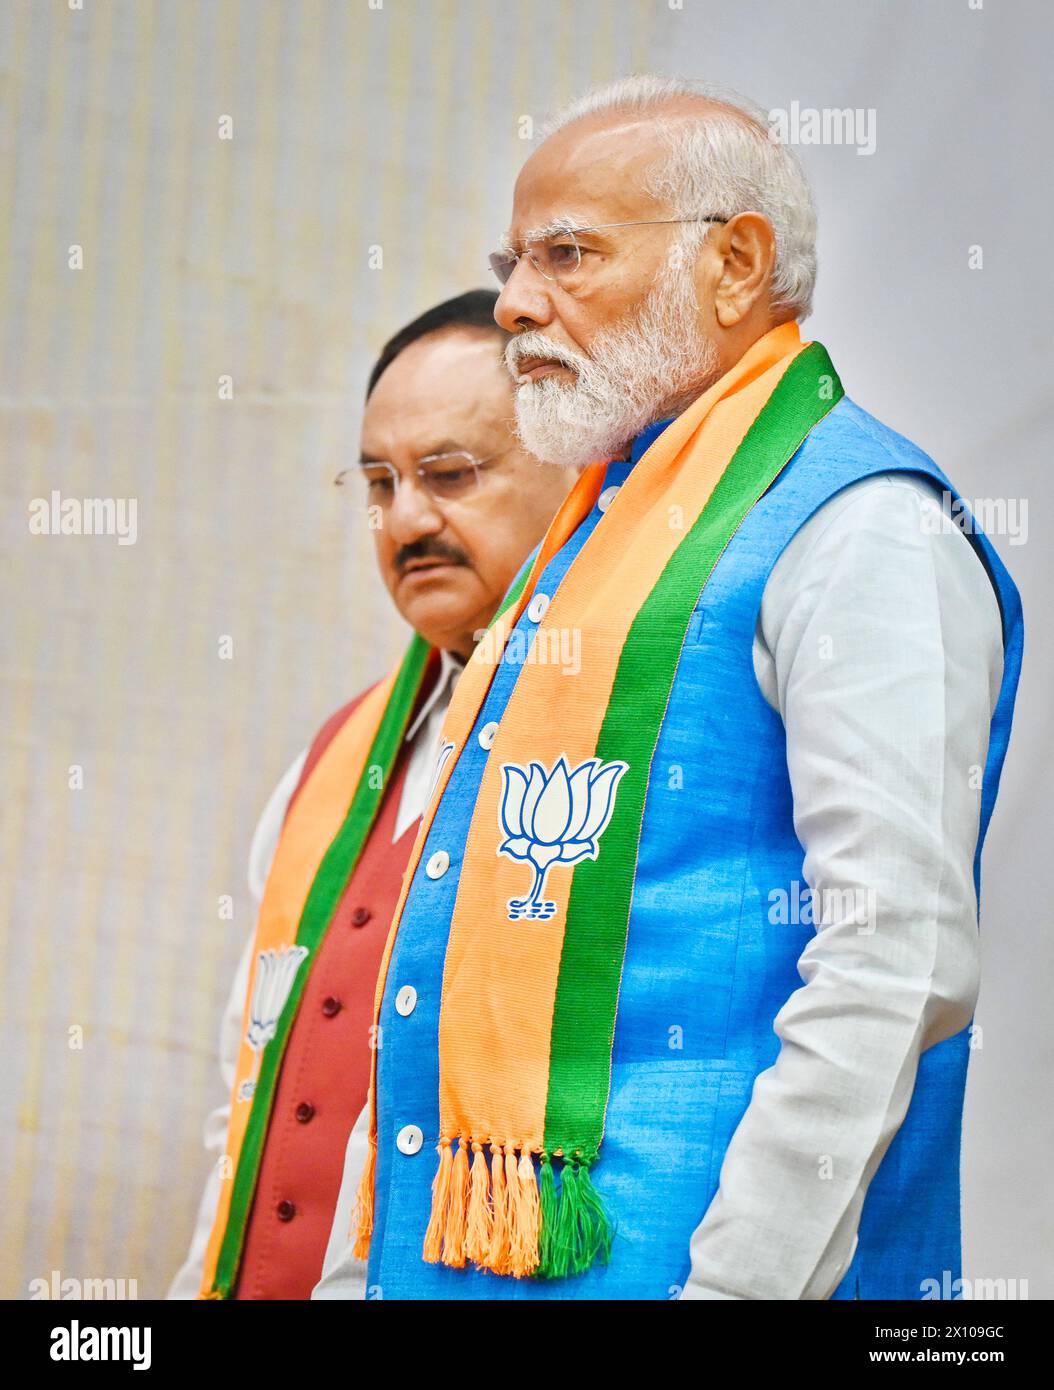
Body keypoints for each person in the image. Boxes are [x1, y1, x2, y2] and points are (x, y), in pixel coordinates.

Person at [314, 76, 1023, 1301]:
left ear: (736, 263)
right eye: (510, 259)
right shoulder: (589, 535)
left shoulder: (860, 528)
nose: (516, 304)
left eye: (567, 255)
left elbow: (893, 955)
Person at [168, 290, 576, 1299]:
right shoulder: (330, 759)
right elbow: (249, 1093)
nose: (407, 521)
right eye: (380, 483)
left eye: (449, 475)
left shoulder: (599, 762)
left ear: (573, 476)